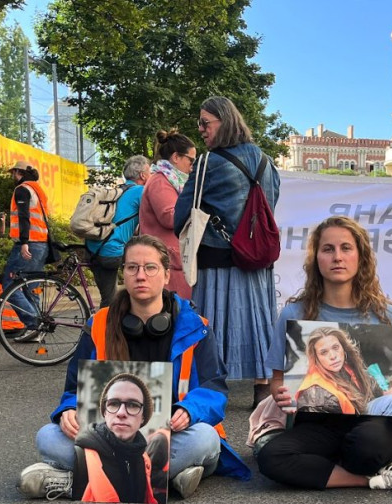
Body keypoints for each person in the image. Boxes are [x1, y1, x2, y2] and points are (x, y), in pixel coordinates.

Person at [16, 235, 250, 501]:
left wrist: (190, 410)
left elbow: (215, 388)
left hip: (173, 436)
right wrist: (68, 410)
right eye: (132, 268)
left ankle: (73, 482)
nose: (141, 275)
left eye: (150, 268)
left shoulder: (196, 326)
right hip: (110, 437)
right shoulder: (99, 325)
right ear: (124, 275)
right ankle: (165, 480)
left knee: (205, 438)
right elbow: (75, 388)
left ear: (165, 276)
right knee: (47, 436)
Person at [253, 216, 392, 492]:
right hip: (318, 425)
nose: (337, 257)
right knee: (272, 458)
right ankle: (372, 479)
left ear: (361, 256)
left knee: (368, 445)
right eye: (328, 249)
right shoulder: (294, 313)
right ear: (316, 258)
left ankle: (329, 467)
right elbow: (277, 381)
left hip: (373, 423)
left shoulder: (386, 314)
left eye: (346, 248)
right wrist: (281, 394)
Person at [174, 96, 280, 407]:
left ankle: (211, 387)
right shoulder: (267, 162)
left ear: (225, 121)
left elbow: (180, 215)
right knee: (259, 321)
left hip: (218, 259)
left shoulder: (209, 163)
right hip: (258, 259)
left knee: (214, 323)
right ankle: (262, 387)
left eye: (205, 123)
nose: (201, 130)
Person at [71, 373, 159, 504]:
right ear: (105, 412)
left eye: (133, 405)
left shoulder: (144, 460)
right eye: (113, 404)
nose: (121, 413)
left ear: (143, 417)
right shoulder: (79, 456)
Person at [295, 326, 392, 416]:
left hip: (360, 424)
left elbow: (371, 396)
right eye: (324, 352)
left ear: (344, 348)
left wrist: (387, 395)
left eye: (336, 347)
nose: (333, 356)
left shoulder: (350, 367)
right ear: (316, 358)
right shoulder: (315, 393)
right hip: (339, 435)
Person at [86, 155, 150, 308]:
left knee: (108, 300)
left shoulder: (116, 191)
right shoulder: (141, 191)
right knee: (147, 284)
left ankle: (105, 326)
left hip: (92, 249)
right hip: (112, 253)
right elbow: (151, 221)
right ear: (142, 175)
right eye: (150, 171)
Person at [139, 130, 195, 299]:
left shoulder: (170, 180)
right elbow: (170, 217)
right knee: (174, 317)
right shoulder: (160, 181)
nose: (192, 167)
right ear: (176, 157)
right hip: (167, 261)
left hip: (171, 260)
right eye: (190, 160)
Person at [1, 161, 50, 329]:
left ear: (18, 172)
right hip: (42, 244)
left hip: (29, 244)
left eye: (12, 173)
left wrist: (23, 242)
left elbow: (24, 216)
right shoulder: (38, 189)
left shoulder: (22, 189)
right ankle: (36, 330)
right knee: (32, 288)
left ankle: (34, 324)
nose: (12, 177)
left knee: (10, 286)